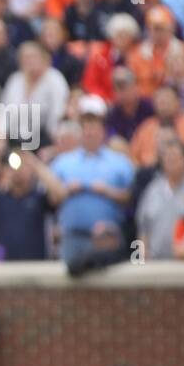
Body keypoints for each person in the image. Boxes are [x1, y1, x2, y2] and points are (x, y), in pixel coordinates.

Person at [49, 96, 136, 274]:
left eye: (94, 129)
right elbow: (52, 199)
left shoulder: (119, 162)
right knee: (70, 283)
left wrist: (108, 192)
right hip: (73, 236)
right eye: (86, 129)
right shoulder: (63, 162)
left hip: (108, 237)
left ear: (103, 132)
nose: (90, 133)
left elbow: (131, 198)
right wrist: (66, 191)